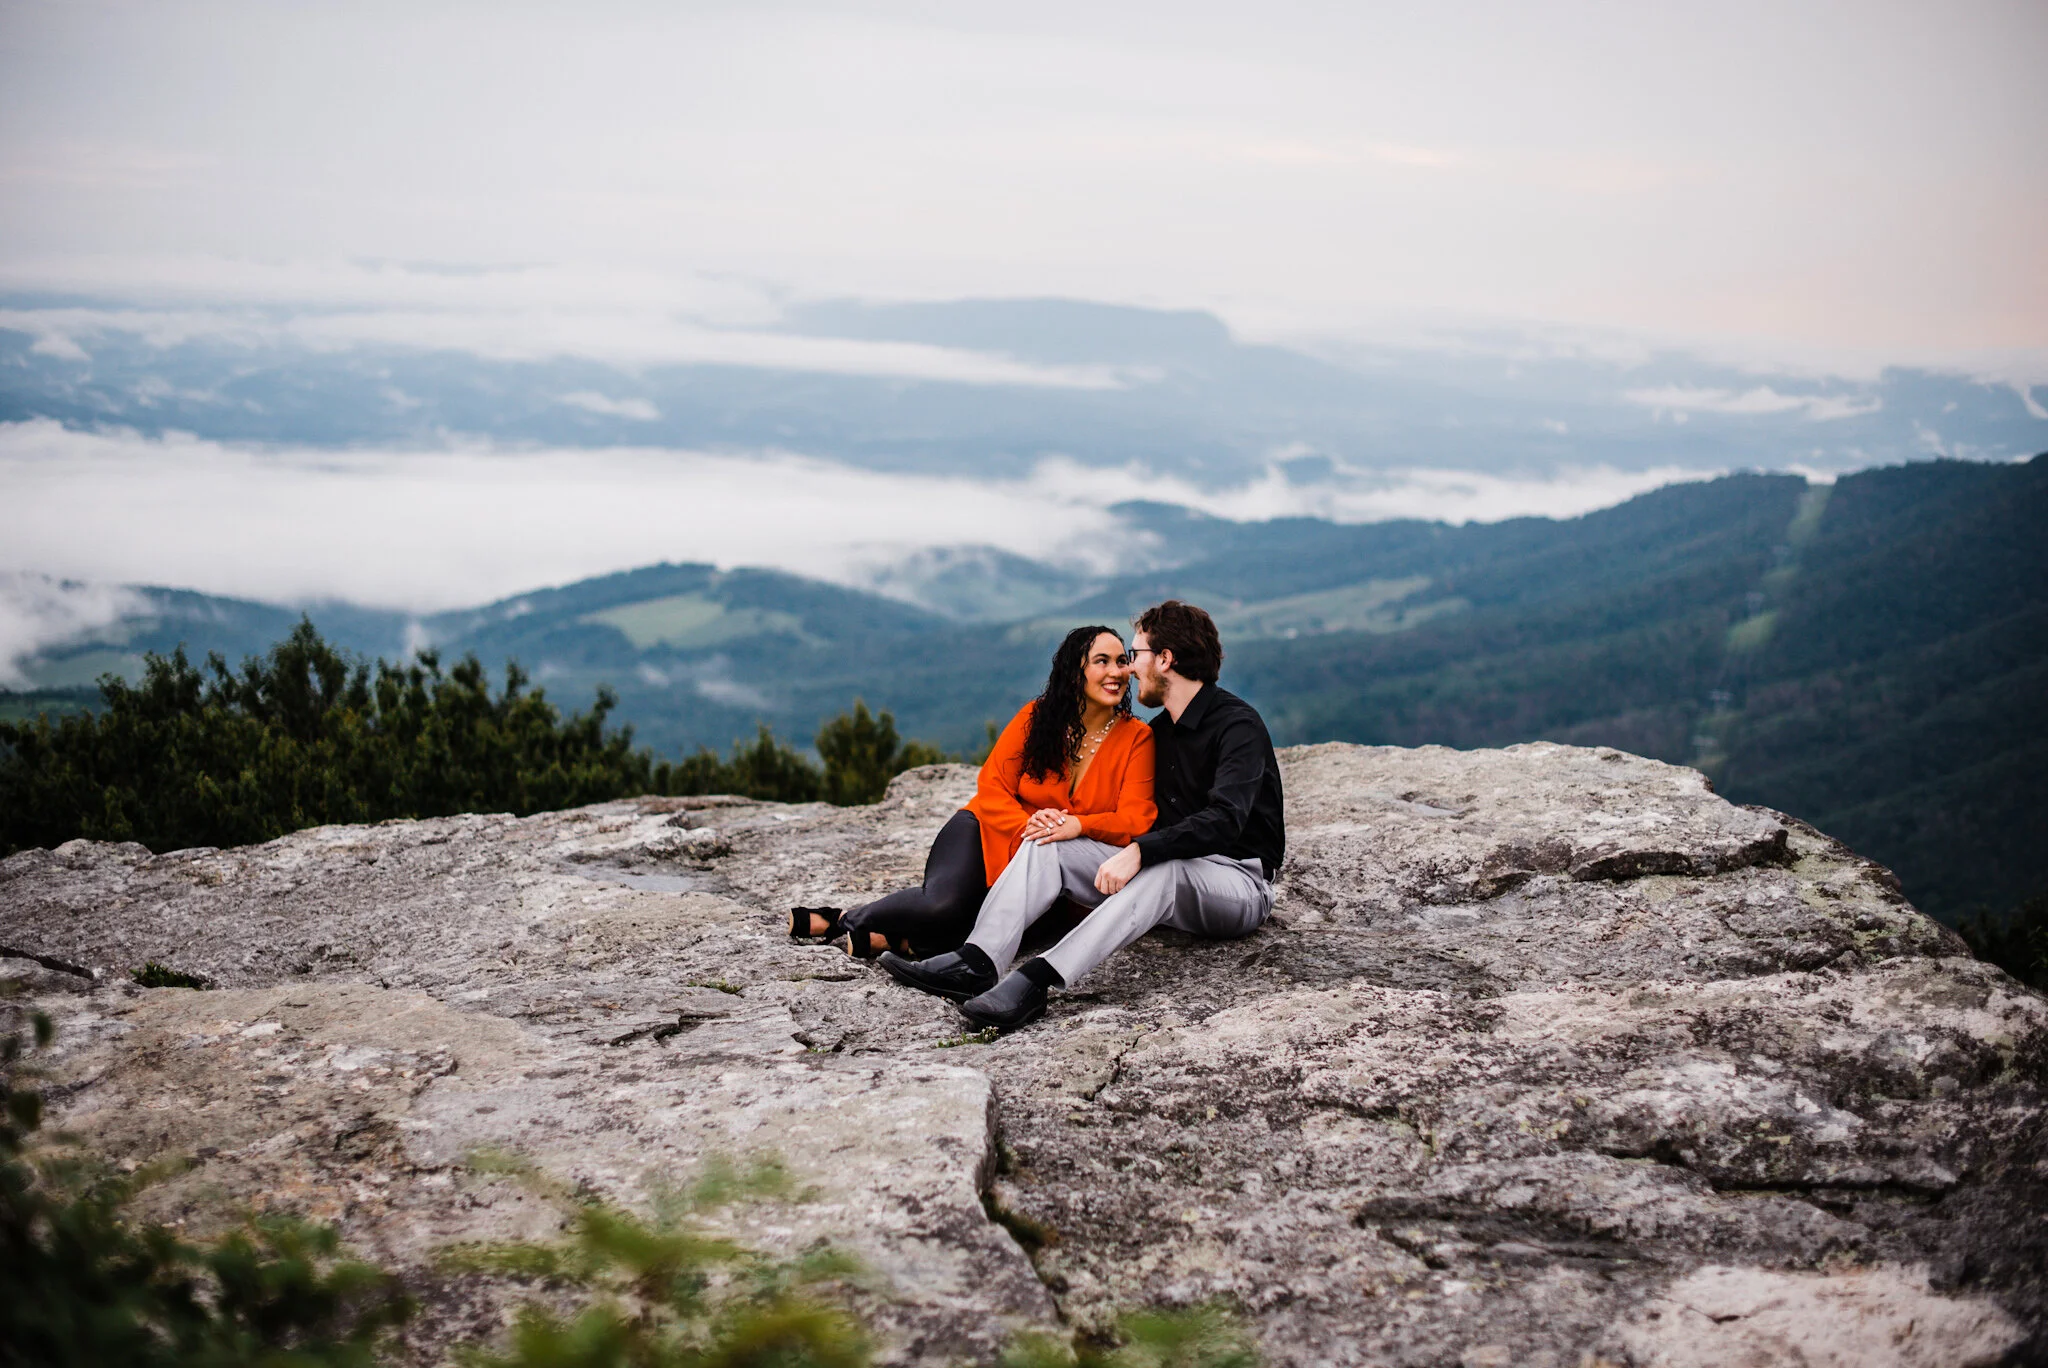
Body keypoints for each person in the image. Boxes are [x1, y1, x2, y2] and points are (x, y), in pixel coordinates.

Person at [879, 600, 1283, 1030]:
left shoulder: (1237, 726)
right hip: (1167, 871)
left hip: (1238, 882)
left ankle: (1037, 982)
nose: (1129, 669)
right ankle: (977, 961)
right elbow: (1133, 815)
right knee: (1050, 842)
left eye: (1134, 655)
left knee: (1162, 871)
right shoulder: (1159, 734)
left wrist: (1141, 851)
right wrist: (1069, 824)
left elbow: (1225, 819)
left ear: (1165, 659)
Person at [789, 625, 1157, 959]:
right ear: (1075, 672)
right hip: (986, 832)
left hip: (1053, 869)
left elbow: (1136, 819)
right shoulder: (1037, 717)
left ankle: (894, 943)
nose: (1116, 672)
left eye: (1121, 661)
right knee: (943, 907)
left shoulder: (1137, 738)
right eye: (1101, 661)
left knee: (1002, 934)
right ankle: (842, 920)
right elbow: (993, 785)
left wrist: (1077, 825)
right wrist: (1030, 826)